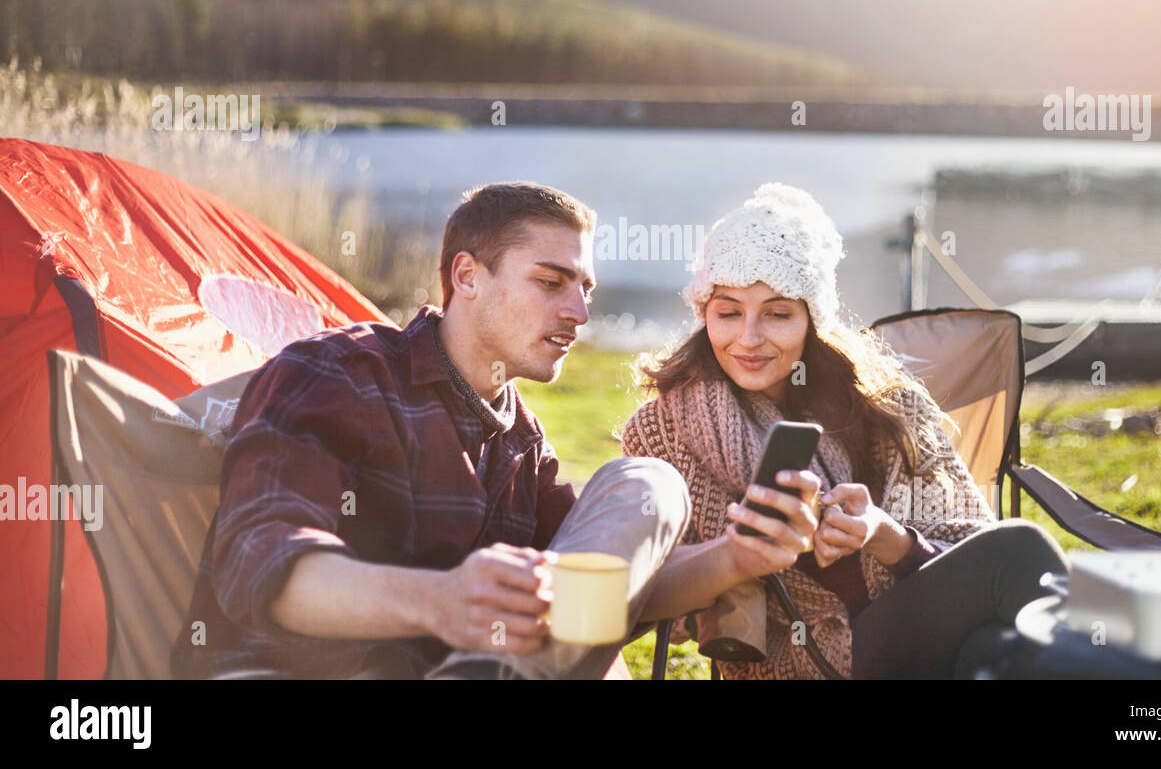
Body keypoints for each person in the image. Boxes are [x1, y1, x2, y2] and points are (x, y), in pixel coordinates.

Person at [174, 181, 713, 680]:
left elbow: (603, 594)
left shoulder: (522, 444)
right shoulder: (340, 371)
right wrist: (440, 601)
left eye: (585, 291)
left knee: (646, 483)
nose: (578, 312)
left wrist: (738, 556)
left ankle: (497, 669)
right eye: (551, 282)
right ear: (467, 276)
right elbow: (258, 556)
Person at [620, 183, 1070, 679]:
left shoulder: (886, 404)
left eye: (777, 314)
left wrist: (882, 534)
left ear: (813, 319)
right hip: (799, 663)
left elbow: (964, 540)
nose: (748, 338)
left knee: (997, 648)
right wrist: (735, 555)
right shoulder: (663, 430)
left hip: (911, 634)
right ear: (704, 314)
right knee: (1017, 552)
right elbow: (648, 599)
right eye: (728, 312)